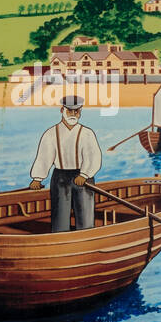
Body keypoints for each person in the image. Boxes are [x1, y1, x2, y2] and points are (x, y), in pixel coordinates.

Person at [29, 94, 102, 232]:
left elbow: (94, 157)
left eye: (77, 111)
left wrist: (85, 174)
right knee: (60, 219)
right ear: (62, 110)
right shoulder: (51, 133)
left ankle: (86, 242)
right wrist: (37, 178)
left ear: (80, 111)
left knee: (85, 219)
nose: (73, 114)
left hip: (83, 179)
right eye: (70, 111)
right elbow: (44, 156)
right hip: (60, 178)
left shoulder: (87, 133)